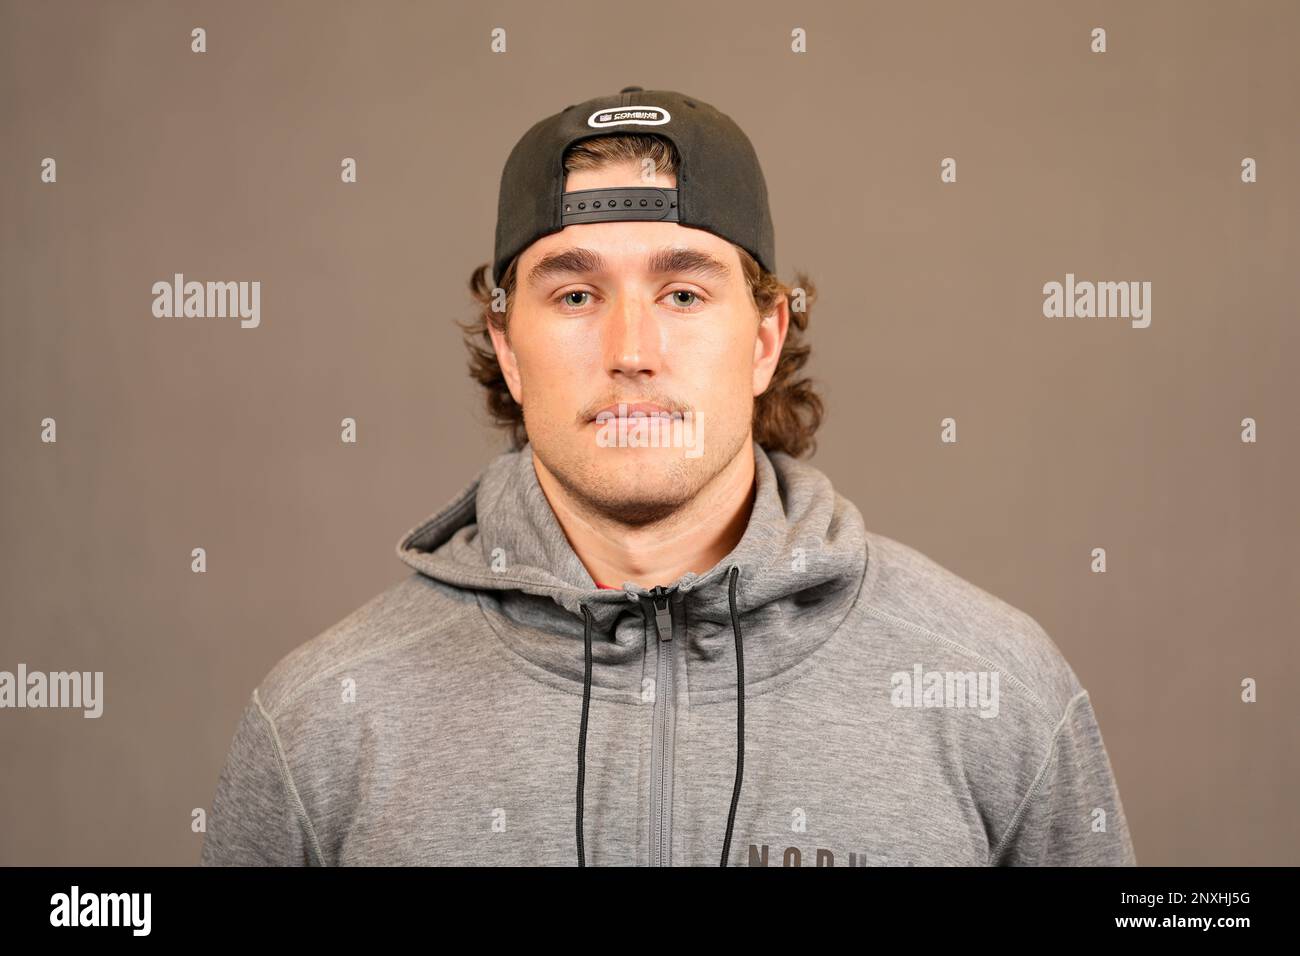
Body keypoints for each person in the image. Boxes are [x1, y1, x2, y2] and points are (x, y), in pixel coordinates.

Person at [200, 86, 1136, 867]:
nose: (632, 350)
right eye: (575, 295)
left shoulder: (992, 687)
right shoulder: (325, 722)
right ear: (508, 348)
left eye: (683, 293)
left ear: (765, 338)